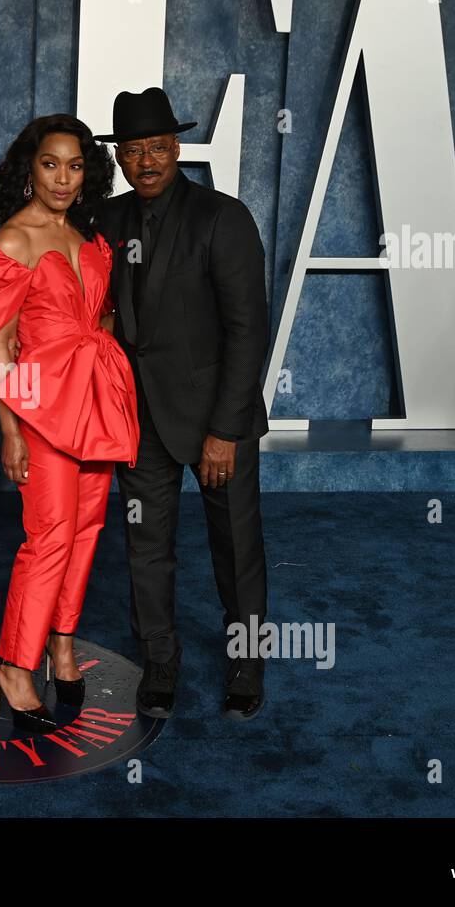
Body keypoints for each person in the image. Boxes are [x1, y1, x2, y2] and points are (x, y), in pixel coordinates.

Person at [94, 87, 271, 721]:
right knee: (145, 546)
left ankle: (247, 665)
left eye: (158, 148)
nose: (146, 161)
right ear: (118, 159)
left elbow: (248, 330)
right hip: (137, 420)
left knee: (236, 544)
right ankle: (161, 661)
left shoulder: (223, 217)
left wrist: (224, 431)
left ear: (177, 148)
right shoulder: (106, 222)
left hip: (215, 420)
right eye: (133, 150)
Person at [0, 114, 139, 733]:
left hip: (95, 403)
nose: (63, 178)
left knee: (88, 528)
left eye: (75, 165)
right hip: (41, 410)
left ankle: (61, 646)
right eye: (50, 164)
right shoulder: (12, 240)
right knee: (48, 537)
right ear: (29, 167)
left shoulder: (92, 238)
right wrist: (11, 432)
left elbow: (103, 322)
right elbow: (0, 347)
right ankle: (15, 666)